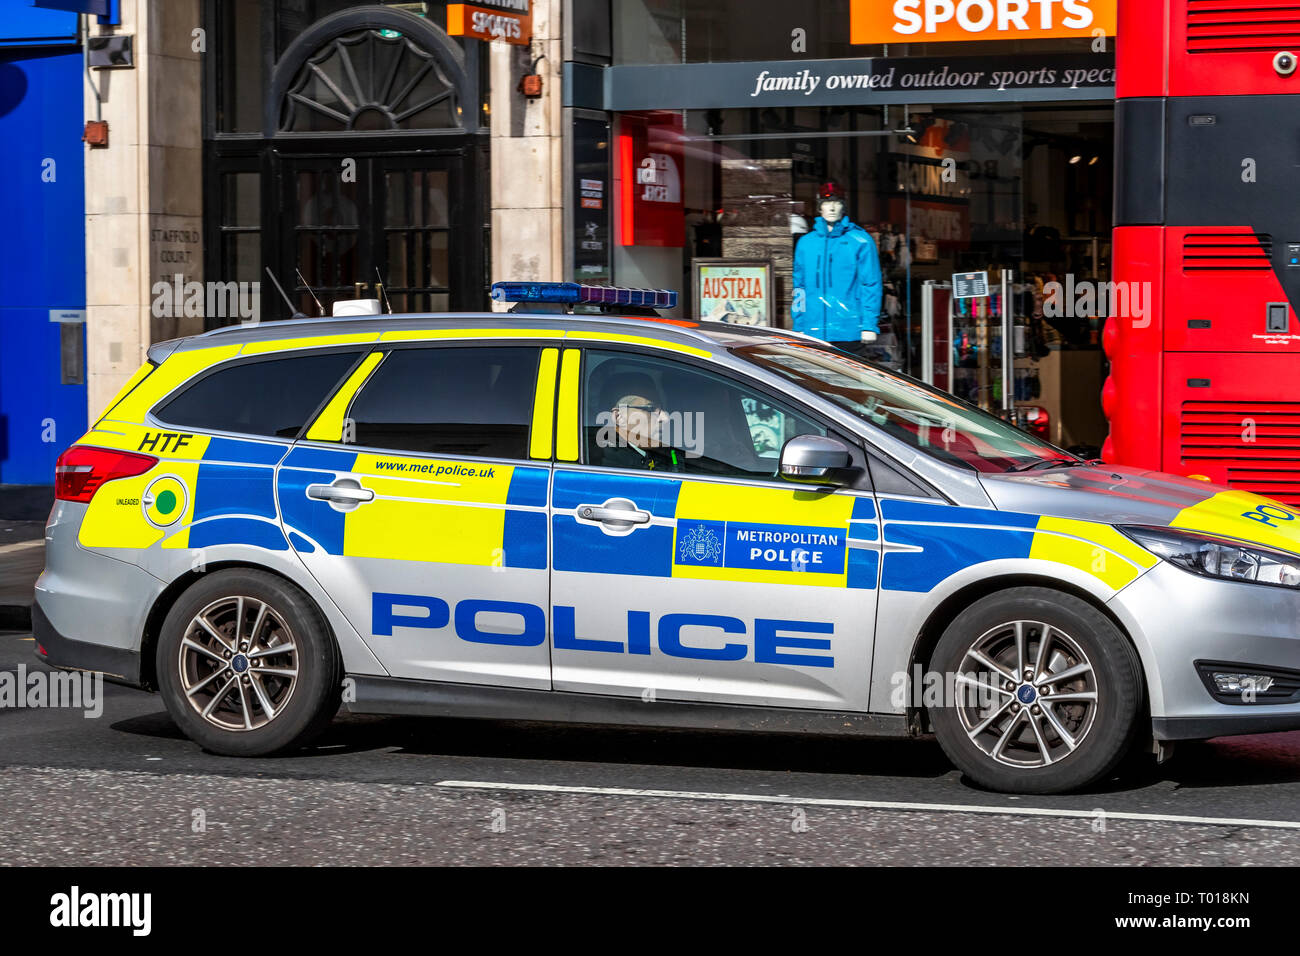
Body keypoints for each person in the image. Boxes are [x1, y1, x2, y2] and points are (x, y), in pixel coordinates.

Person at [792, 182, 884, 352]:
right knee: (812, 378)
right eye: (827, 203)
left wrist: (869, 325)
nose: (832, 208)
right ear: (820, 207)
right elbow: (800, 287)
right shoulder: (806, 243)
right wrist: (799, 323)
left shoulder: (860, 240)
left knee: (848, 378)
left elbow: (870, 284)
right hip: (813, 330)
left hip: (850, 330)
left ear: (843, 206)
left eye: (837, 202)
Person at [593, 372, 684, 472]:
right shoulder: (605, 465)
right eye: (651, 409)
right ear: (618, 417)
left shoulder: (666, 455)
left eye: (662, 407)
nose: (665, 417)